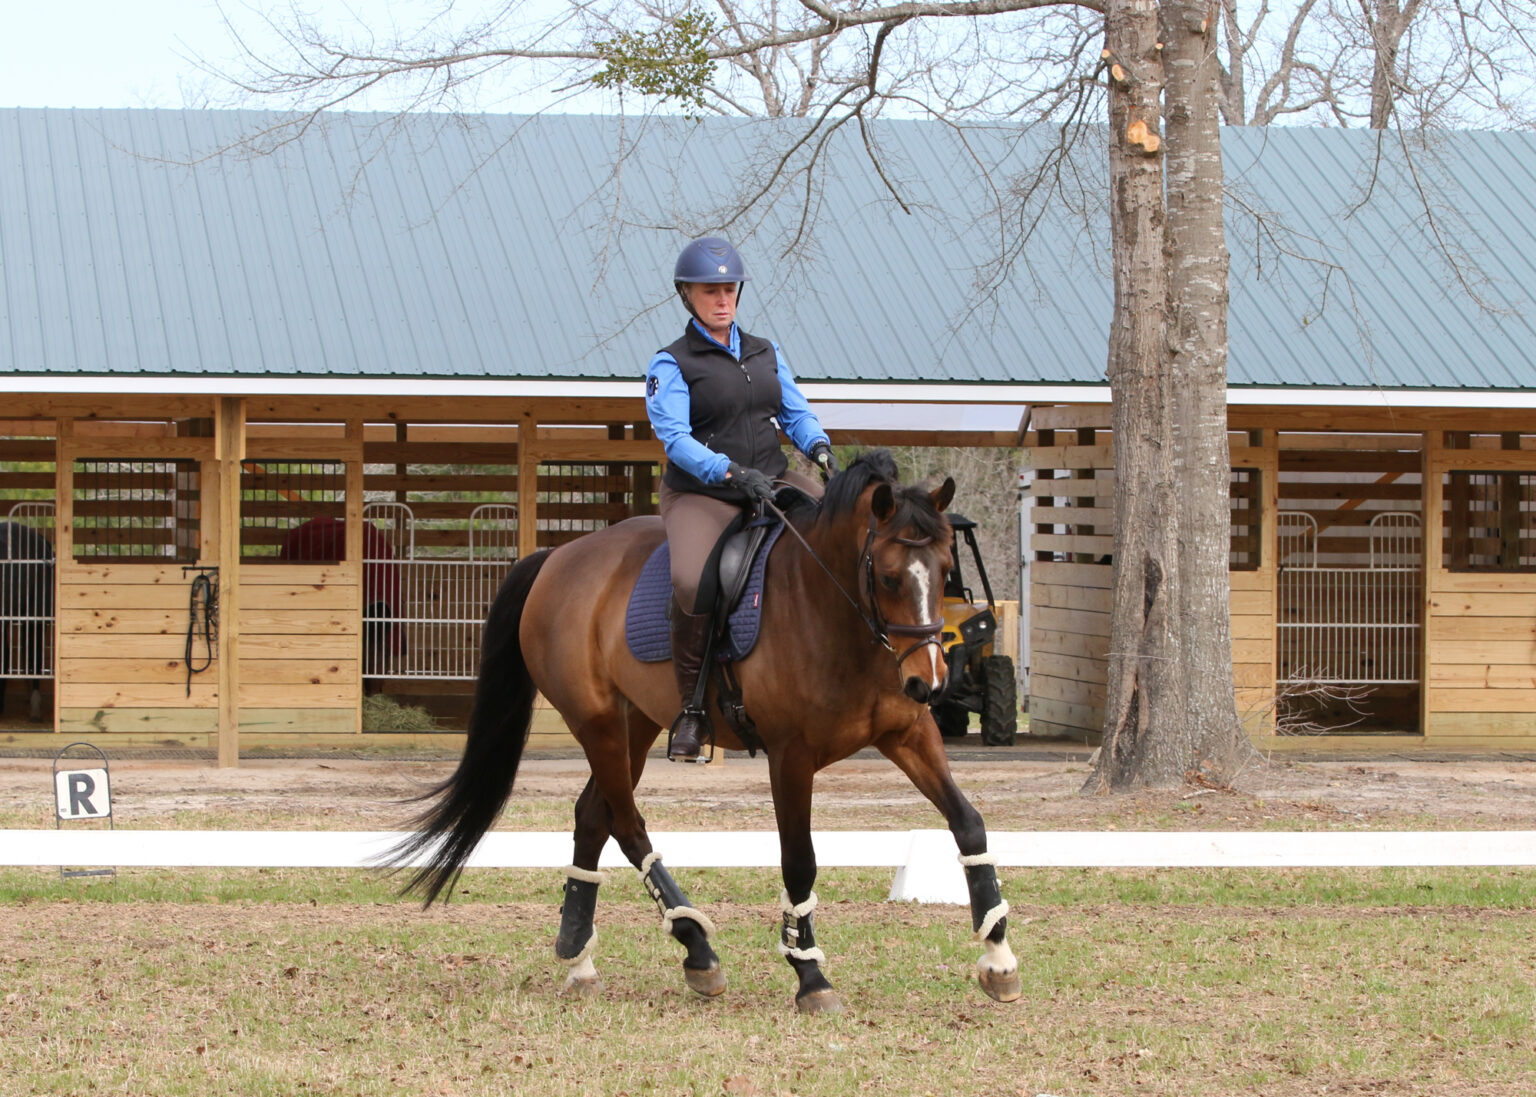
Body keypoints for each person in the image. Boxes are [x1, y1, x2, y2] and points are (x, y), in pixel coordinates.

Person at [645, 236, 839, 761]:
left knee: (837, 533)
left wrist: (818, 447)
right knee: (692, 579)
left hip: (771, 480)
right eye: (711, 290)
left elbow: (794, 411)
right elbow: (677, 441)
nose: (723, 299)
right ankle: (690, 711)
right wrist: (730, 471)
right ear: (687, 295)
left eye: (729, 288)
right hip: (703, 493)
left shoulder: (764, 351)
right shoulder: (671, 364)